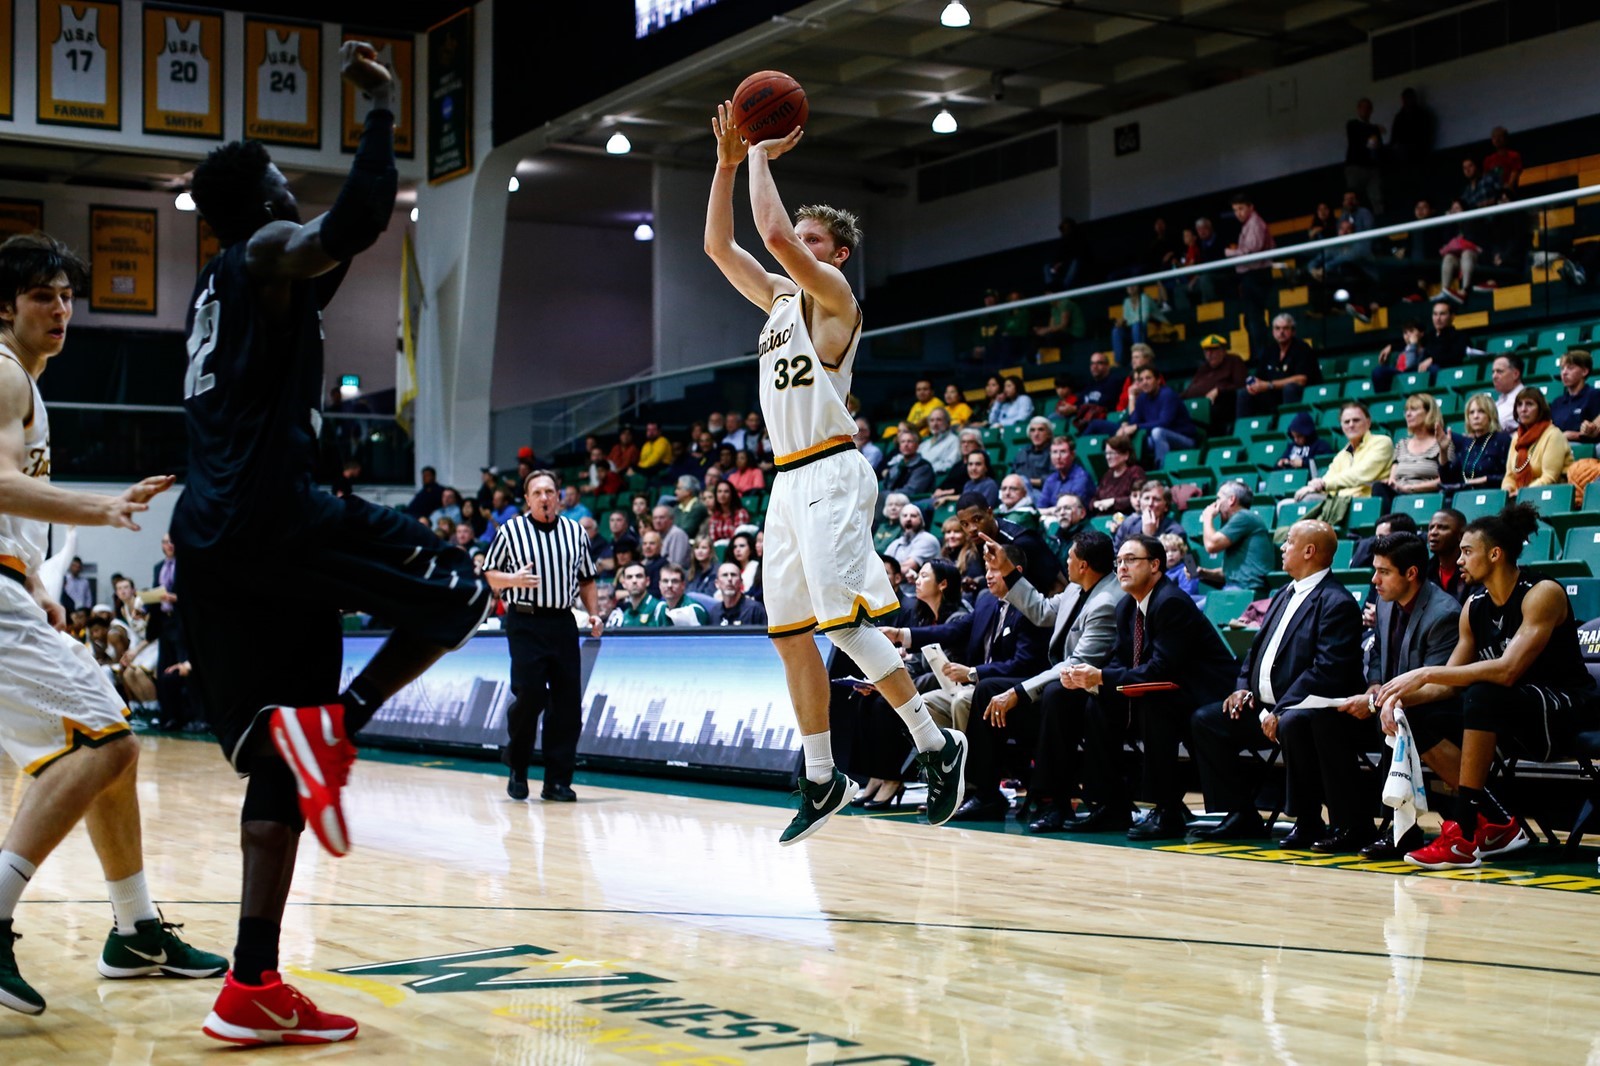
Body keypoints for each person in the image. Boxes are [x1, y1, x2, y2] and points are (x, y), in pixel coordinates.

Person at [178, 45, 495, 1046]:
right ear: (262, 197)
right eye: (280, 179)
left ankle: (250, 982)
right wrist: (382, 115)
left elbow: (342, 247)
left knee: (276, 751)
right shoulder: (265, 248)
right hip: (278, 514)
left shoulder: (226, 294)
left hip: (210, 543)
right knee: (459, 591)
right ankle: (347, 723)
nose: (291, 188)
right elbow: (351, 222)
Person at [704, 102, 968, 841]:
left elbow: (775, 235)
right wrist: (726, 163)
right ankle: (822, 777)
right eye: (803, 242)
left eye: (816, 243)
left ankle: (934, 740)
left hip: (830, 469)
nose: (798, 251)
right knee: (790, 635)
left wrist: (758, 151)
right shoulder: (779, 303)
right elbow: (721, 247)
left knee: (843, 625)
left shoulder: (833, 298)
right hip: (786, 480)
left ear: (836, 256)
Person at [0, 233, 227, 1017]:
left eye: (66, 295)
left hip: (9, 592)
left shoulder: (25, 383)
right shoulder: (0, 374)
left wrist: (33, 583)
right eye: (41, 296)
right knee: (112, 738)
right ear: (6, 307)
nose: (60, 309)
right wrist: (100, 508)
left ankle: (134, 930)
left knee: (106, 751)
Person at [1378, 504, 1600, 869]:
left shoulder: (1541, 593)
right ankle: (1496, 822)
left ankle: (1464, 833)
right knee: (1418, 712)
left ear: (1495, 554)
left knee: (1484, 692)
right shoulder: (1474, 606)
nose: (1459, 560)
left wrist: (1425, 673)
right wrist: (1397, 698)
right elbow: (1446, 686)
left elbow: (1508, 671)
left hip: (1565, 708)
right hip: (1506, 712)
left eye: (1467, 551)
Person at [1188, 521, 1367, 847]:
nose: (1282, 548)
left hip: (1310, 711)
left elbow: (1326, 670)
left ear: (1309, 551)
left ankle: (1308, 820)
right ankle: (1240, 814)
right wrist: (1242, 686)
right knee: (1206, 721)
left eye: (1288, 542)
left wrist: (1282, 709)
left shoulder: (1336, 601)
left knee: (1294, 723)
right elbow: (1254, 652)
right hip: (1264, 708)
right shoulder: (1284, 592)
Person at [1061, 535, 1237, 839]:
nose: (1122, 567)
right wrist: (1088, 678)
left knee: (1155, 705)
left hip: (1207, 694)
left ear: (1155, 565)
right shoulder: (1127, 607)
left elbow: (1161, 669)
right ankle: (1110, 804)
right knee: (1098, 704)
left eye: (1131, 560)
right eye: (1119, 562)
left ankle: (1167, 810)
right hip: (1170, 690)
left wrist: (1102, 678)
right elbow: (1120, 661)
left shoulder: (1170, 602)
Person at [980, 530, 1124, 833]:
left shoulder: (1107, 601)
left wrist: (1019, 691)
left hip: (1095, 690)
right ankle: (984, 792)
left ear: (1083, 565)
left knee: (1055, 695)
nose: (1065, 563)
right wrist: (1006, 568)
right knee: (988, 688)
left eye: (1070, 557)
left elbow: (1076, 665)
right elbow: (1041, 611)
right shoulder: (1075, 588)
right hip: (1065, 683)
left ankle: (1055, 801)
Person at [1344, 531, 1464, 859]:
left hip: (1439, 709)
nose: (1374, 580)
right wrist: (1374, 687)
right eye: (1375, 569)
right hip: (1390, 701)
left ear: (1411, 574)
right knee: (1327, 724)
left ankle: (1402, 833)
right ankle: (1351, 824)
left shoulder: (1443, 614)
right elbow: (1380, 657)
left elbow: (1436, 682)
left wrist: (1385, 702)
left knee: (1400, 722)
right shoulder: (1386, 605)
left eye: (1383, 572)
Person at [486, 469, 604, 801]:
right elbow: (490, 577)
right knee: (531, 696)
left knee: (567, 704)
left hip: (563, 622)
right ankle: (518, 765)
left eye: (550, 491)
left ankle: (557, 781)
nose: (544, 498)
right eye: (537, 492)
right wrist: (513, 581)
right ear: (527, 499)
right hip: (525, 622)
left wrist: (594, 612)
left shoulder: (574, 532)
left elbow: (587, 579)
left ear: (558, 495)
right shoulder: (510, 531)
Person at [1293, 402, 1394, 503]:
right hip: (1340, 503)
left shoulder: (1382, 442)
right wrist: (1313, 487)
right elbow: (1328, 479)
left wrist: (1323, 484)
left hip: (1366, 502)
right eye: (1346, 422)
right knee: (1289, 502)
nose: (1351, 425)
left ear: (1368, 422)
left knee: (1308, 499)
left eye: (1356, 420)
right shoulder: (1342, 455)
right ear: (1341, 426)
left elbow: (1360, 473)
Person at [1197, 480, 1274, 594]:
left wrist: (1207, 516)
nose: (1215, 504)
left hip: (1247, 591)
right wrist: (1203, 573)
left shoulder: (1244, 517)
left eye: (1218, 498)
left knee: (1185, 610)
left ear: (1231, 500)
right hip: (1234, 588)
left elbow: (1211, 545)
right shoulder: (1237, 523)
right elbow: (1228, 575)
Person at [1375, 392, 1452, 503]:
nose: (1408, 414)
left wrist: (1410, 488)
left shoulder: (1442, 443)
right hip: (1398, 495)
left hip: (1426, 497)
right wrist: (1392, 483)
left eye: (1414, 410)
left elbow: (1446, 480)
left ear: (1429, 413)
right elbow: (1393, 478)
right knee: (1379, 487)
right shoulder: (1401, 444)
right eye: (1406, 410)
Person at [1117, 364, 1197, 469]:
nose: (1144, 382)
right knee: (1134, 437)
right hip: (1157, 440)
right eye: (1141, 380)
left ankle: (1162, 469)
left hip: (1184, 439)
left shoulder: (1167, 395)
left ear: (1158, 380)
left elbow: (1164, 423)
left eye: (1148, 378)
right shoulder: (1142, 398)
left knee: (1158, 432)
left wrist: (1136, 427)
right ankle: (1131, 472)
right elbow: (1134, 421)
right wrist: (1125, 427)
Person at [1239, 314, 1319, 417]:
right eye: (1277, 328)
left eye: (1285, 328)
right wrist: (1253, 385)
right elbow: (1260, 377)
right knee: (1244, 393)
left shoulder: (1302, 348)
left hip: (1299, 395)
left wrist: (1269, 385)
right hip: (1273, 396)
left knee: (1290, 389)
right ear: (1273, 331)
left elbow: (1301, 379)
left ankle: (1290, 427)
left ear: (1293, 331)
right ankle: (1245, 431)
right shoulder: (1269, 351)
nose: (1281, 332)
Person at [1503, 387, 1573, 495]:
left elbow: (1550, 477)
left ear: (1540, 409)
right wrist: (1507, 490)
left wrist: (1521, 493)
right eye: (1519, 404)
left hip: (1549, 495)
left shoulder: (1553, 435)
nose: (1523, 409)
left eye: (1529, 404)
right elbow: (1510, 476)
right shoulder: (1516, 438)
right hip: (1520, 494)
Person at [1183, 334, 1247, 431]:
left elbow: (1241, 385)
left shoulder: (1234, 361)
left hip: (1223, 406)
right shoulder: (1203, 368)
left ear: (1223, 350)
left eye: (1213, 350)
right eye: (1206, 351)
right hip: (1199, 406)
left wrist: (1219, 390)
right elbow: (1190, 389)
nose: (1209, 354)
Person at [1455, 392, 1510, 489]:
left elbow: (1510, 476)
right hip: (1465, 495)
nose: (1475, 416)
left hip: (1493, 493)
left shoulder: (1502, 439)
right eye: (1471, 412)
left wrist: (1486, 479)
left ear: (1490, 415)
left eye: (1481, 411)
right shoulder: (1467, 443)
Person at [1344, 97, 1385, 216]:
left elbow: (1378, 148)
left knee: (1377, 197)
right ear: (1358, 109)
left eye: (1368, 108)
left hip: (1371, 168)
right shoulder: (1352, 124)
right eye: (1362, 107)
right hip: (1355, 167)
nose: (1365, 110)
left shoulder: (1373, 130)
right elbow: (1358, 133)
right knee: (1352, 198)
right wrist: (1375, 128)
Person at [1035, 436, 1094, 512]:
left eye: (1063, 452)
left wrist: (1048, 511)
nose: (1058, 457)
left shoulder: (1081, 477)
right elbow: (1040, 509)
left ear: (1072, 454)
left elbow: (1071, 510)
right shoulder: (1051, 479)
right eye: (1054, 452)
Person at [1552, 349, 1600, 441]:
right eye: (1562, 369)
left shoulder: (1594, 396)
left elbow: (1595, 432)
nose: (1564, 373)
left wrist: (1576, 435)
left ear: (1584, 371)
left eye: (1570, 368)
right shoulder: (1557, 403)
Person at [1090, 435, 1145, 516]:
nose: (1108, 457)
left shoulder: (1135, 472)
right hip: (1102, 518)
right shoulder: (1107, 475)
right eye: (1106, 453)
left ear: (1126, 455)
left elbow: (1139, 498)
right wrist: (1095, 504)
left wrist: (1113, 502)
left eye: (1111, 453)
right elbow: (1095, 497)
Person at [606, 562, 670, 628]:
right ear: (623, 584)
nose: (634, 580)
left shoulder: (660, 608)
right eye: (629, 577)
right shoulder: (625, 615)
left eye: (639, 576)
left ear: (647, 581)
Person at [1425, 508, 1469, 603]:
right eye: (1431, 528)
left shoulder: (1471, 572)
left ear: (1461, 535)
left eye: (1442, 528)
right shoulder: (1425, 571)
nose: (1433, 532)